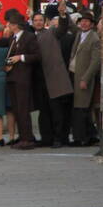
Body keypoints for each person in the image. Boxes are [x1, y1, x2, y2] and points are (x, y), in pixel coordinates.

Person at [1, 9, 41, 150]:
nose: (8, 27)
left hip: (23, 78)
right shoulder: (13, 39)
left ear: (16, 25)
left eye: (10, 24)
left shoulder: (29, 37)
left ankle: (28, 138)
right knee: (17, 109)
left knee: (23, 109)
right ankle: (23, 136)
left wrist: (20, 57)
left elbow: (37, 55)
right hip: (12, 76)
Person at [33, 11, 74, 148]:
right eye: (35, 20)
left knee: (56, 111)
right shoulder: (30, 36)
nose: (38, 22)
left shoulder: (51, 33)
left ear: (45, 22)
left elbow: (62, 28)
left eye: (40, 20)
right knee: (43, 112)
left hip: (53, 78)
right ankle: (46, 138)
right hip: (39, 79)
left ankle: (58, 138)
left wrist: (63, 15)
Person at [70, 11, 101, 146]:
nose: (84, 23)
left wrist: (86, 78)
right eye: (82, 21)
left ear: (92, 24)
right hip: (74, 74)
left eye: (87, 21)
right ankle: (91, 135)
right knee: (79, 108)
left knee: (81, 108)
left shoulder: (94, 39)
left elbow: (95, 62)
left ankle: (81, 138)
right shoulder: (79, 35)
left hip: (83, 77)